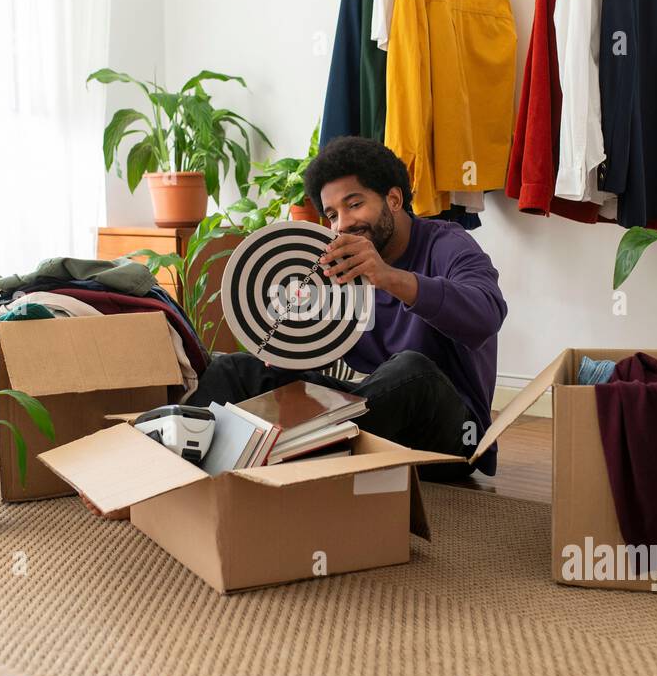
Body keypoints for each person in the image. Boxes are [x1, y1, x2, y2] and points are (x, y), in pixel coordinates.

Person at [186, 136, 507, 480]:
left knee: (413, 369)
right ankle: (181, 468)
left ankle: (298, 461)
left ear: (394, 199)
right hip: (377, 416)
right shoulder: (338, 266)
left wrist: (388, 277)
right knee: (232, 369)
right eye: (332, 214)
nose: (343, 223)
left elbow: (487, 315)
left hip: (455, 435)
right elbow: (323, 358)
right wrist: (290, 348)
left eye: (354, 204)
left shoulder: (448, 244)